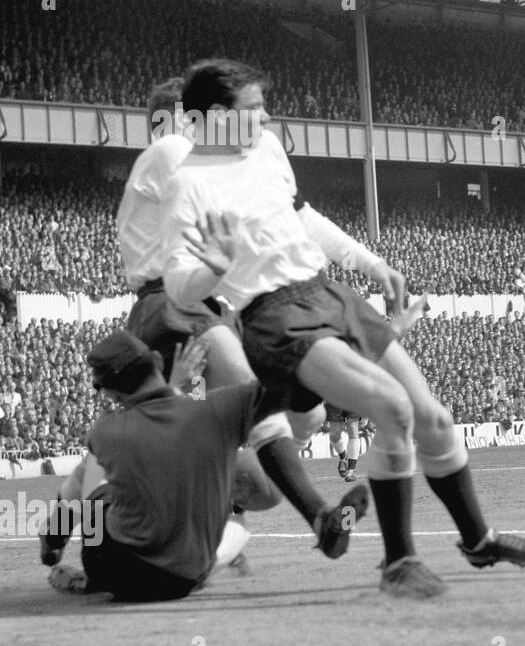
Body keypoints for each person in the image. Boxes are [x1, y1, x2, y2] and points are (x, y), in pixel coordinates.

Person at [160, 58, 525, 599]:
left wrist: (370, 262)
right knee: (392, 409)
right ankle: (399, 563)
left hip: (327, 293)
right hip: (275, 316)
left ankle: (478, 540)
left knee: (434, 418)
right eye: (254, 108)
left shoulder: (267, 150)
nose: (268, 117)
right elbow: (178, 286)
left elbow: (304, 218)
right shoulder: (187, 183)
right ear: (218, 116)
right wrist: (217, 267)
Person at [118, 77, 348, 545]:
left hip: (197, 303)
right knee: (251, 395)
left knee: (296, 416)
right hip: (170, 302)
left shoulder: (175, 161)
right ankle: (317, 515)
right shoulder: (169, 151)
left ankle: (220, 514)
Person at [39, 331, 366, 602]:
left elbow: (156, 437)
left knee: (90, 474)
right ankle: (222, 535)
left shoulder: (105, 431)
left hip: (115, 570)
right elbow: (299, 389)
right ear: (154, 362)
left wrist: (175, 389)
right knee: (238, 527)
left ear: (110, 391)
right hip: (180, 578)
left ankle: (52, 543)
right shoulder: (219, 409)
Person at [326, 403, 362, 481]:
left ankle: (351, 471)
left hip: (354, 395)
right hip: (334, 396)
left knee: (352, 426)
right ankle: (343, 456)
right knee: (334, 435)